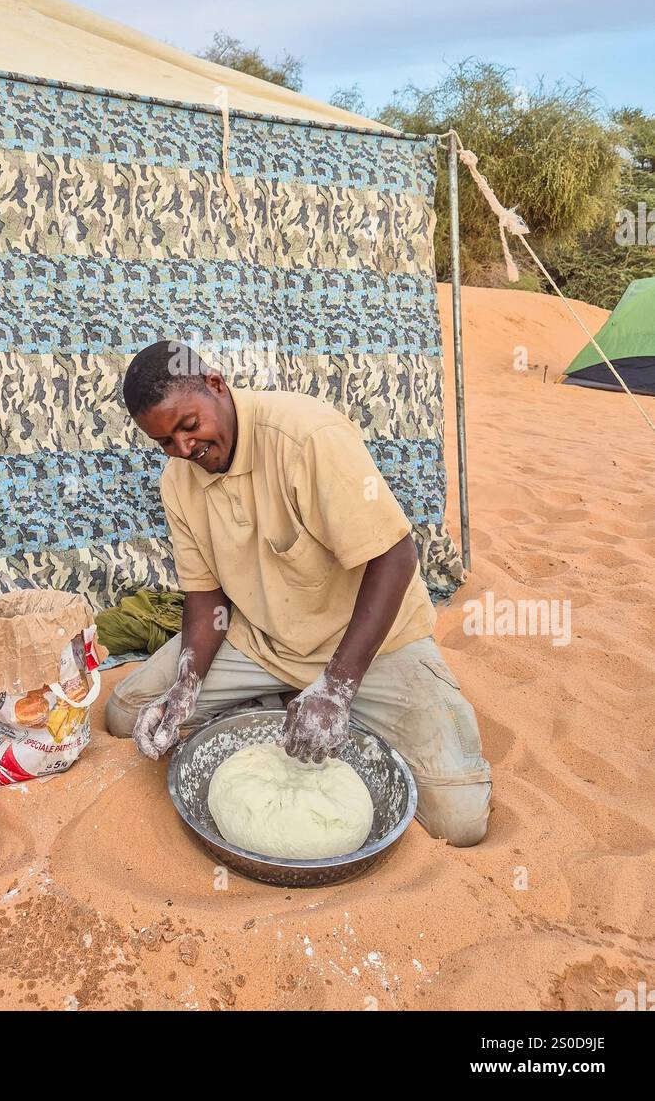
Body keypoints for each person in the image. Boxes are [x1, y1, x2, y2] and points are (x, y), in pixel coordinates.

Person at [106, 341, 491, 847]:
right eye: (165, 443)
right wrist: (186, 685)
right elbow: (207, 598)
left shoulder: (306, 436)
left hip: (371, 646)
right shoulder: (179, 482)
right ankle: (280, 698)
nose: (183, 450)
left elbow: (395, 559)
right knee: (129, 715)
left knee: (460, 822)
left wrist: (336, 688)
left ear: (218, 386)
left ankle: (311, 701)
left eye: (189, 426)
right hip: (264, 642)